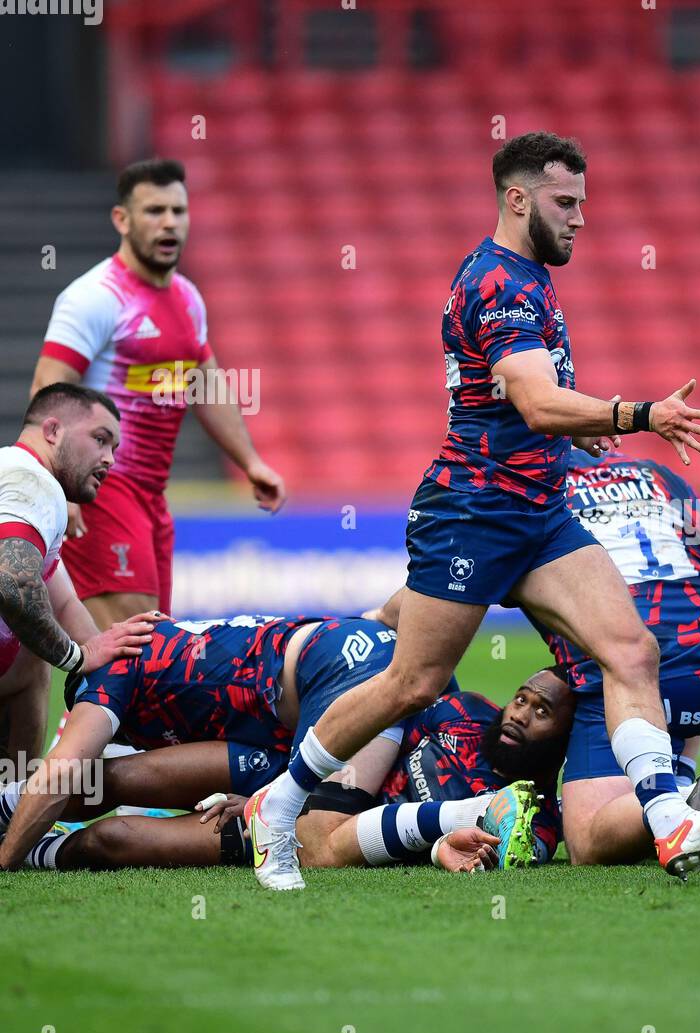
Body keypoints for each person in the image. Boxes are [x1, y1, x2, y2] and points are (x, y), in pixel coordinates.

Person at [244, 131, 700, 889]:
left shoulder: (529, 275)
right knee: (412, 683)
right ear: (518, 200)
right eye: (566, 203)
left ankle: (669, 820)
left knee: (630, 651)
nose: (580, 217)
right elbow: (533, 399)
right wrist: (638, 415)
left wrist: (575, 434)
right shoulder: (500, 281)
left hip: (540, 511)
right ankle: (279, 805)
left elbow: (519, 402)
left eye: (583, 203)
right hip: (474, 513)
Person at [371, 449, 700, 866]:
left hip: (636, 666)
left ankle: (681, 801)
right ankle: (678, 774)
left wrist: (377, 619)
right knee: (673, 650)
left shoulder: (524, 488)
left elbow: (449, 588)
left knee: (587, 838)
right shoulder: (659, 476)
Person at [32, 157, 285, 624]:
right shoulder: (95, 297)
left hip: (152, 496)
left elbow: (206, 385)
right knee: (133, 643)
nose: (169, 222)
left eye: (178, 211)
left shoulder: (187, 298)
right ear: (121, 220)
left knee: (148, 647)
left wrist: (250, 461)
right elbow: (47, 389)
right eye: (154, 211)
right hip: (101, 488)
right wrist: (60, 486)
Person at [0, 614, 451, 868]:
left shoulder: (107, 678)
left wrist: (6, 860)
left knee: (313, 842)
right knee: (119, 787)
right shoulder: (174, 669)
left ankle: (458, 818)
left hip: (341, 670)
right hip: (313, 689)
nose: (127, 739)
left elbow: (63, 769)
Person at [16, 671, 574, 875]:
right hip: (289, 771)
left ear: (567, 738)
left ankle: (35, 855)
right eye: (522, 698)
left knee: (112, 840)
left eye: (541, 712)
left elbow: (480, 853)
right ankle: (8, 807)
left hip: (301, 834)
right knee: (120, 776)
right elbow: (375, 715)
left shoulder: (536, 820)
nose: (520, 714)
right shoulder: (464, 711)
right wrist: (283, 787)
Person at [0, 384, 157, 774]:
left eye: (114, 448)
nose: (109, 459)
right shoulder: (32, 481)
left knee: (30, 658)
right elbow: (13, 583)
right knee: (35, 650)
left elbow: (64, 601)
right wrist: (76, 657)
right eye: (100, 440)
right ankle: (16, 798)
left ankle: (13, 797)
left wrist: (105, 653)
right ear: (53, 431)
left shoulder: (18, 475)